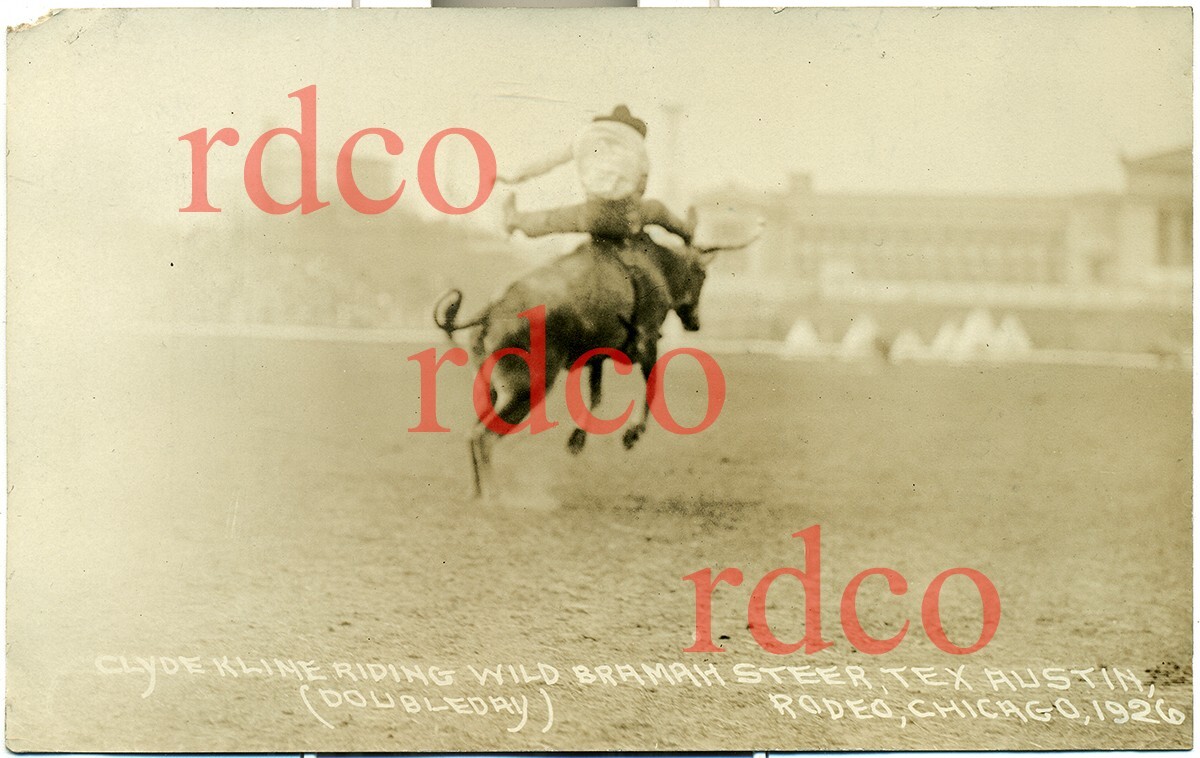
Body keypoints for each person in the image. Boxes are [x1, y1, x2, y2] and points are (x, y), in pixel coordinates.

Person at [498, 105, 696, 245]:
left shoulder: (586, 136)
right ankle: (686, 232)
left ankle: (516, 220)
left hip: (592, 214)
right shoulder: (635, 141)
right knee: (657, 209)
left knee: (555, 218)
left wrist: (514, 176)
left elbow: (549, 161)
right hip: (627, 217)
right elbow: (642, 184)